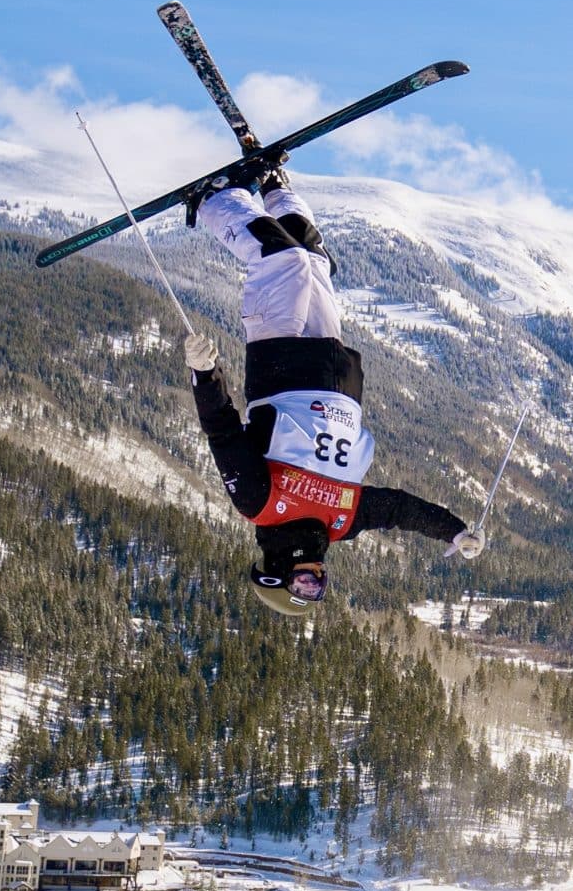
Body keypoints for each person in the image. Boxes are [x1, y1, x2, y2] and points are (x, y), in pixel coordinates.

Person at [182, 167, 483, 618]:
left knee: (282, 260)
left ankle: (211, 200)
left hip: (279, 365)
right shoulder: (340, 521)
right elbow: (399, 510)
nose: (316, 575)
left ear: (277, 569)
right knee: (315, 261)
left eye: (304, 582)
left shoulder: (260, 504)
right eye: (319, 585)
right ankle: (273, 185)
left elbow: (223, 434)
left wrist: (205, 375)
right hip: (333, 372)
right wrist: (455, 533)